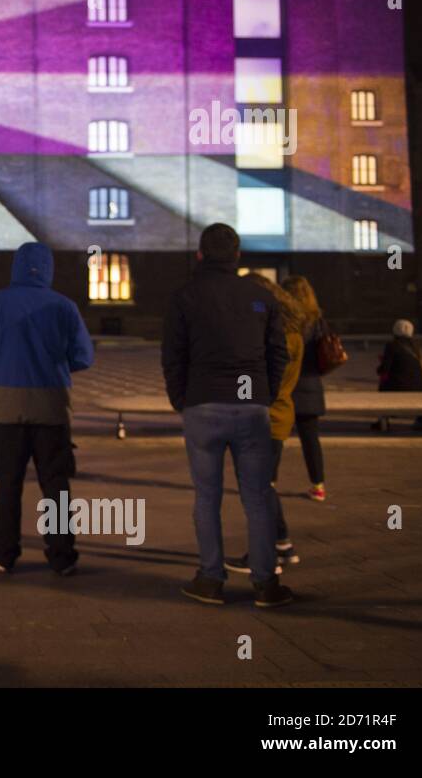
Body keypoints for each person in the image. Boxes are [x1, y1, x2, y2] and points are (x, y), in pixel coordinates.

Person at [161, 224, 292, 608]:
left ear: (200, 255)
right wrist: (262, 395)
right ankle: (266, 583)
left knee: (207, 497)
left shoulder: (185, 296)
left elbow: (173, 356)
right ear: (237, 256)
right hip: (250, 404)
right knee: (258, 496)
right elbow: (277, 353)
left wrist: (182, 399)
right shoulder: (260, 296)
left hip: (203, 403)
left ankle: (210, 578)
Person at [0, 242, 92, 577]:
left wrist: (2, 359)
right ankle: (62, 554)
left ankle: (4, 553)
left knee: (8, 482)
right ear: (48, 268)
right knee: (56, 483)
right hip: (52, 404)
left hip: (7, 404)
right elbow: (84, 356)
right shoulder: (64, 306)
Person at [225, 273, 305, 576]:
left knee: (256, 490)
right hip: (280, 414)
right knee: (264, 486)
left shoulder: (272, 335)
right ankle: (283, 545)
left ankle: (264, 557)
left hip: (264, 418)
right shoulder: (293, 331)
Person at [281, 276, 329, 501]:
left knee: (275, 436)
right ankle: (318, 485)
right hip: (311, 385)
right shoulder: (317, 319)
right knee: (311, 439)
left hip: (287, 384)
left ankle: (268, 480)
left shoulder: (286, 318)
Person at [376, 319, 422, 430]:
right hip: (419, 388)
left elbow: (384, 369)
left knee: (383, 385)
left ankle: (383, 419)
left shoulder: (392, 346)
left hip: (398, 388)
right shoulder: (417, 347)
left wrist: (379, 368)